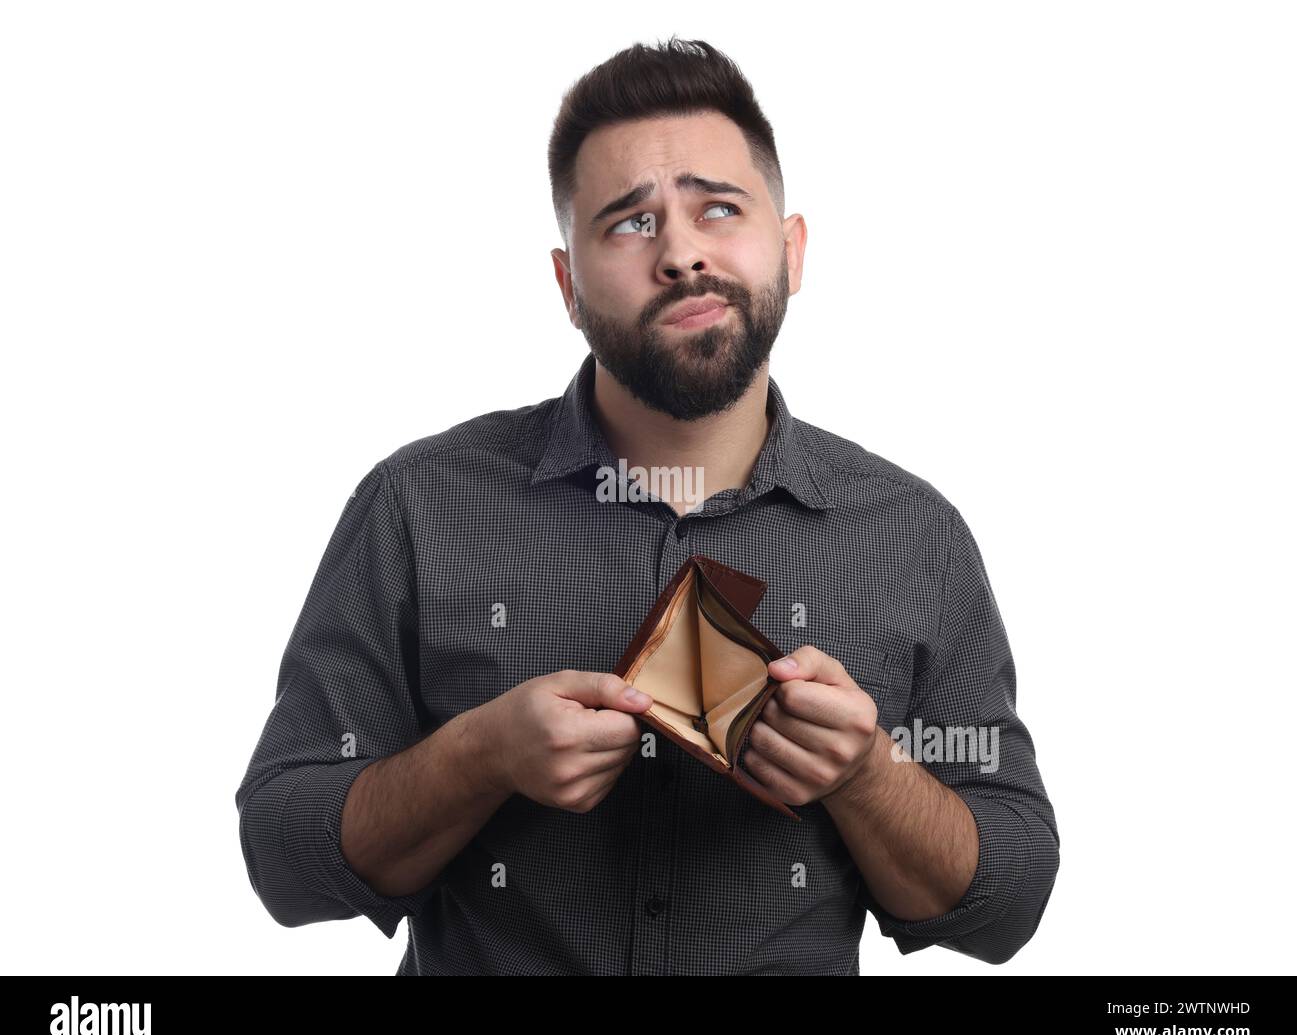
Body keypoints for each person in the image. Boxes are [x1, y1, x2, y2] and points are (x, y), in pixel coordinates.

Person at [235, 36, 1059, 975]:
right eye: (629, 223)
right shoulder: (415, 506)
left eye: (719, 208)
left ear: (790, 251)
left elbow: (1009, 902)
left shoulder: (913, 537)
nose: (681, 254)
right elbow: (283, 856)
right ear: (567, 286)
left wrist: (868, 775)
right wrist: (481, 757)